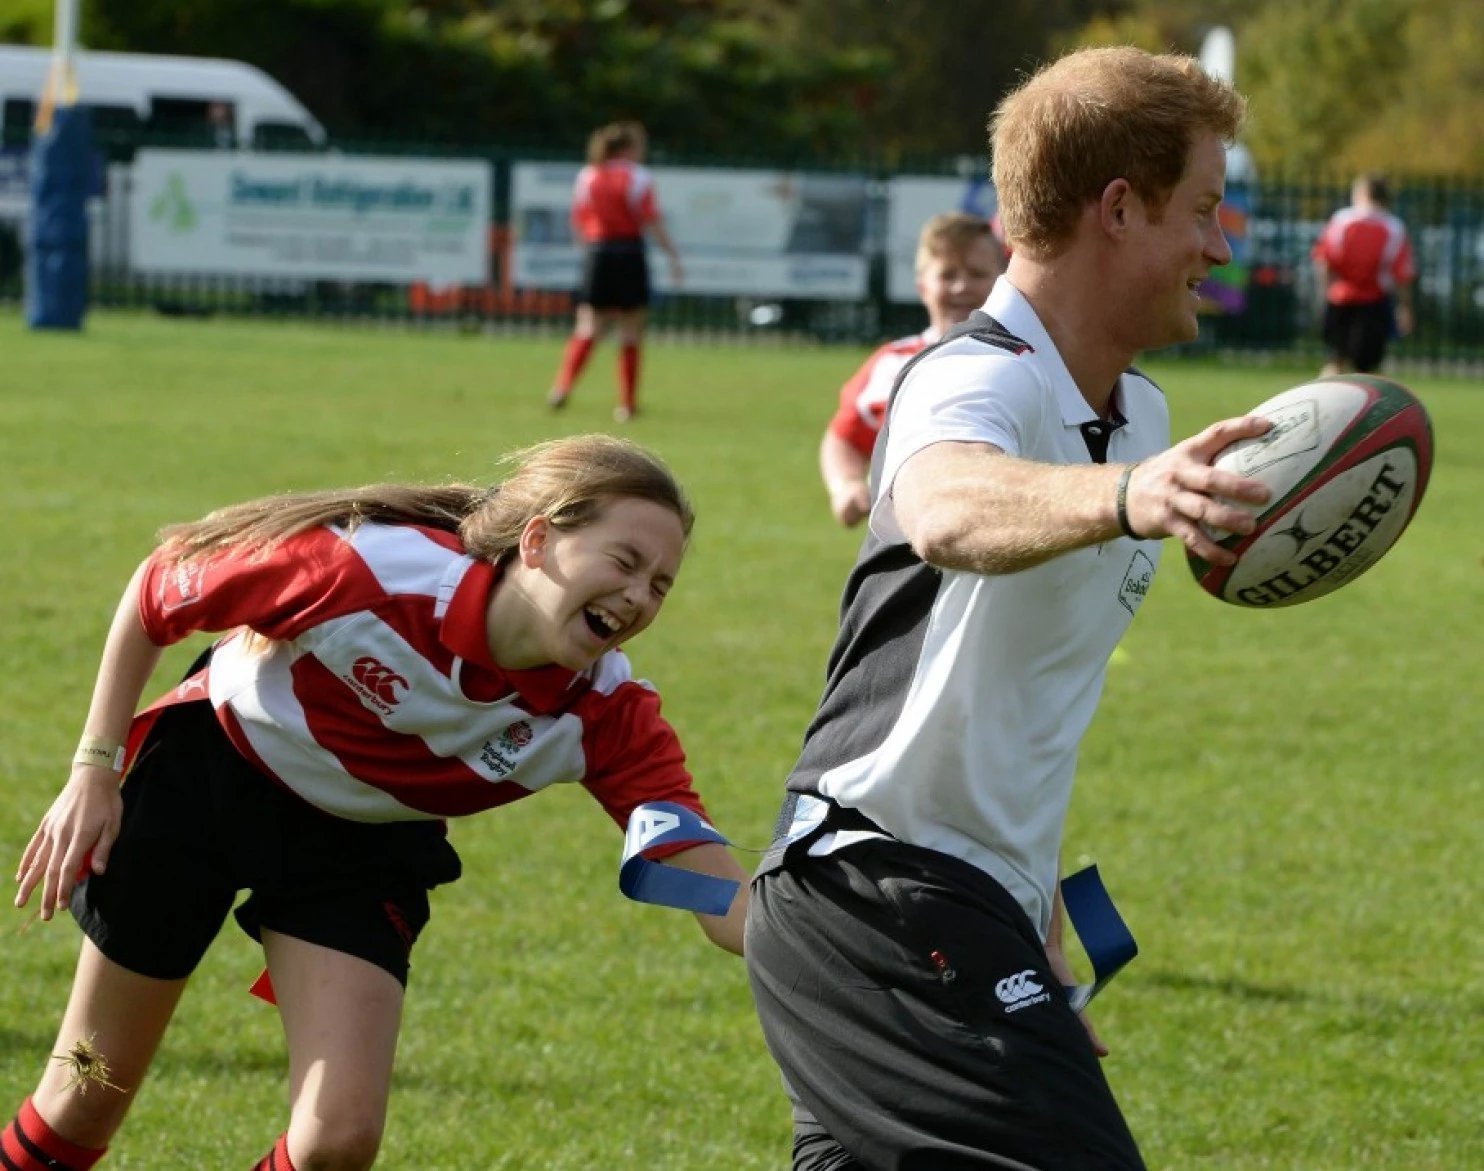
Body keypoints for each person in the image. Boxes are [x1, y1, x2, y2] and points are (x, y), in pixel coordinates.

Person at [745, 45, 1274, 1171]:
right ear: (1118, 210)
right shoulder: (968, 373)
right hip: (877, 892)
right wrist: (1128, 497)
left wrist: (1031, 928)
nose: (1219, 245)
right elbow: (942, 504)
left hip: (949, 903)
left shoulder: (1139, 411)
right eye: (1204, 209)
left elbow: (1014, 707)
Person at [7, 434, 748, 1171]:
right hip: (211, 780)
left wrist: (831, 946)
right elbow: (159, 585)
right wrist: (94, 771)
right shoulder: (368, 568)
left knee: (337, 1141)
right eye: (624, 561)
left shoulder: (606, 713)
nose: (638, 596)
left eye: (660, 584)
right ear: (537, 540)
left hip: (363, 844)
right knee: (84, 1092)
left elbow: (700, 877)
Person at [820, 212, 1004, 526]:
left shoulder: (1029, 358)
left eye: (976, 273)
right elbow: (844, 437)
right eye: (947, 275)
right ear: (922, 287)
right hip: (908, 547)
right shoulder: (894, 363)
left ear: (1004, 282)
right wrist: (846, 486)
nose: (961, 286)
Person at [546, 121, 683, 423]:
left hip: (598, 254)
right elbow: (651, 220)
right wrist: (673, 256)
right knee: (630, 330)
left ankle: (561, 388)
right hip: (629, 253)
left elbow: (579, 220)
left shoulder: (588, 175)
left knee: (588, 326)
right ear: (628, 148)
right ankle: (626, 405)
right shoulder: (639, 177)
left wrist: (588, 254)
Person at [1312, 172, 1415, 376]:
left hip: (1340, 299)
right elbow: (1402, 273)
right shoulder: (1394, 228)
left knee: (1335, 362)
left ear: (1361, 192)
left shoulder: (1341, 221)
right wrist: (1405, 307)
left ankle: (1324, 405)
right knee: (1368, 370)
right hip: (1374, 303)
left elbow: (1324, 261)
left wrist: (1325, 294)